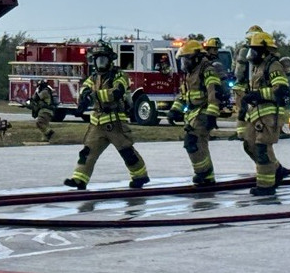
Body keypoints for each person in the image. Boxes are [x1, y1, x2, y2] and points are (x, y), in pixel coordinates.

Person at [64, 41, 150, 190]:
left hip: (115, 123)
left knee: (127, 152)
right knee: (87, 152)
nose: (100, 63)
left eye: (103, 59)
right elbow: (84, 88)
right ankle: (79, 179)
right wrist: (83, 98)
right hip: (97, 123)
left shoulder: (120, 75)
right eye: (98, 60)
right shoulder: (93, 77)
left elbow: (116, 93)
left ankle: (140, 176)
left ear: (110, 60)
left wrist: (94, 96)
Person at [238, 31, 290, 196]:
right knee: (249, 145)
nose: (251, 55)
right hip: (256, 115)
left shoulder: (273, 65)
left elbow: (281, 90)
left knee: (262, 149)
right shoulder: (258, 67)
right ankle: (277, 170)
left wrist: (259, 95)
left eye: (255, 51)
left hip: (269, 116)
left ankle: (266, 186)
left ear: (265, 51)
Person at [168, 39, 222, 185]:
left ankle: (203, 172)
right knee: (200, 145)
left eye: (186, 60)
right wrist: (174, 110)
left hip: (204, 112)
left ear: (196, 58)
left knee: (192, 142)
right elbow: (184, 95)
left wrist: (212, 114)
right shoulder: (190, 73)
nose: (184, 63)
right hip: (194, 114)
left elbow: (214, 92)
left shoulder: (207, 70)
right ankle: (207, 176)